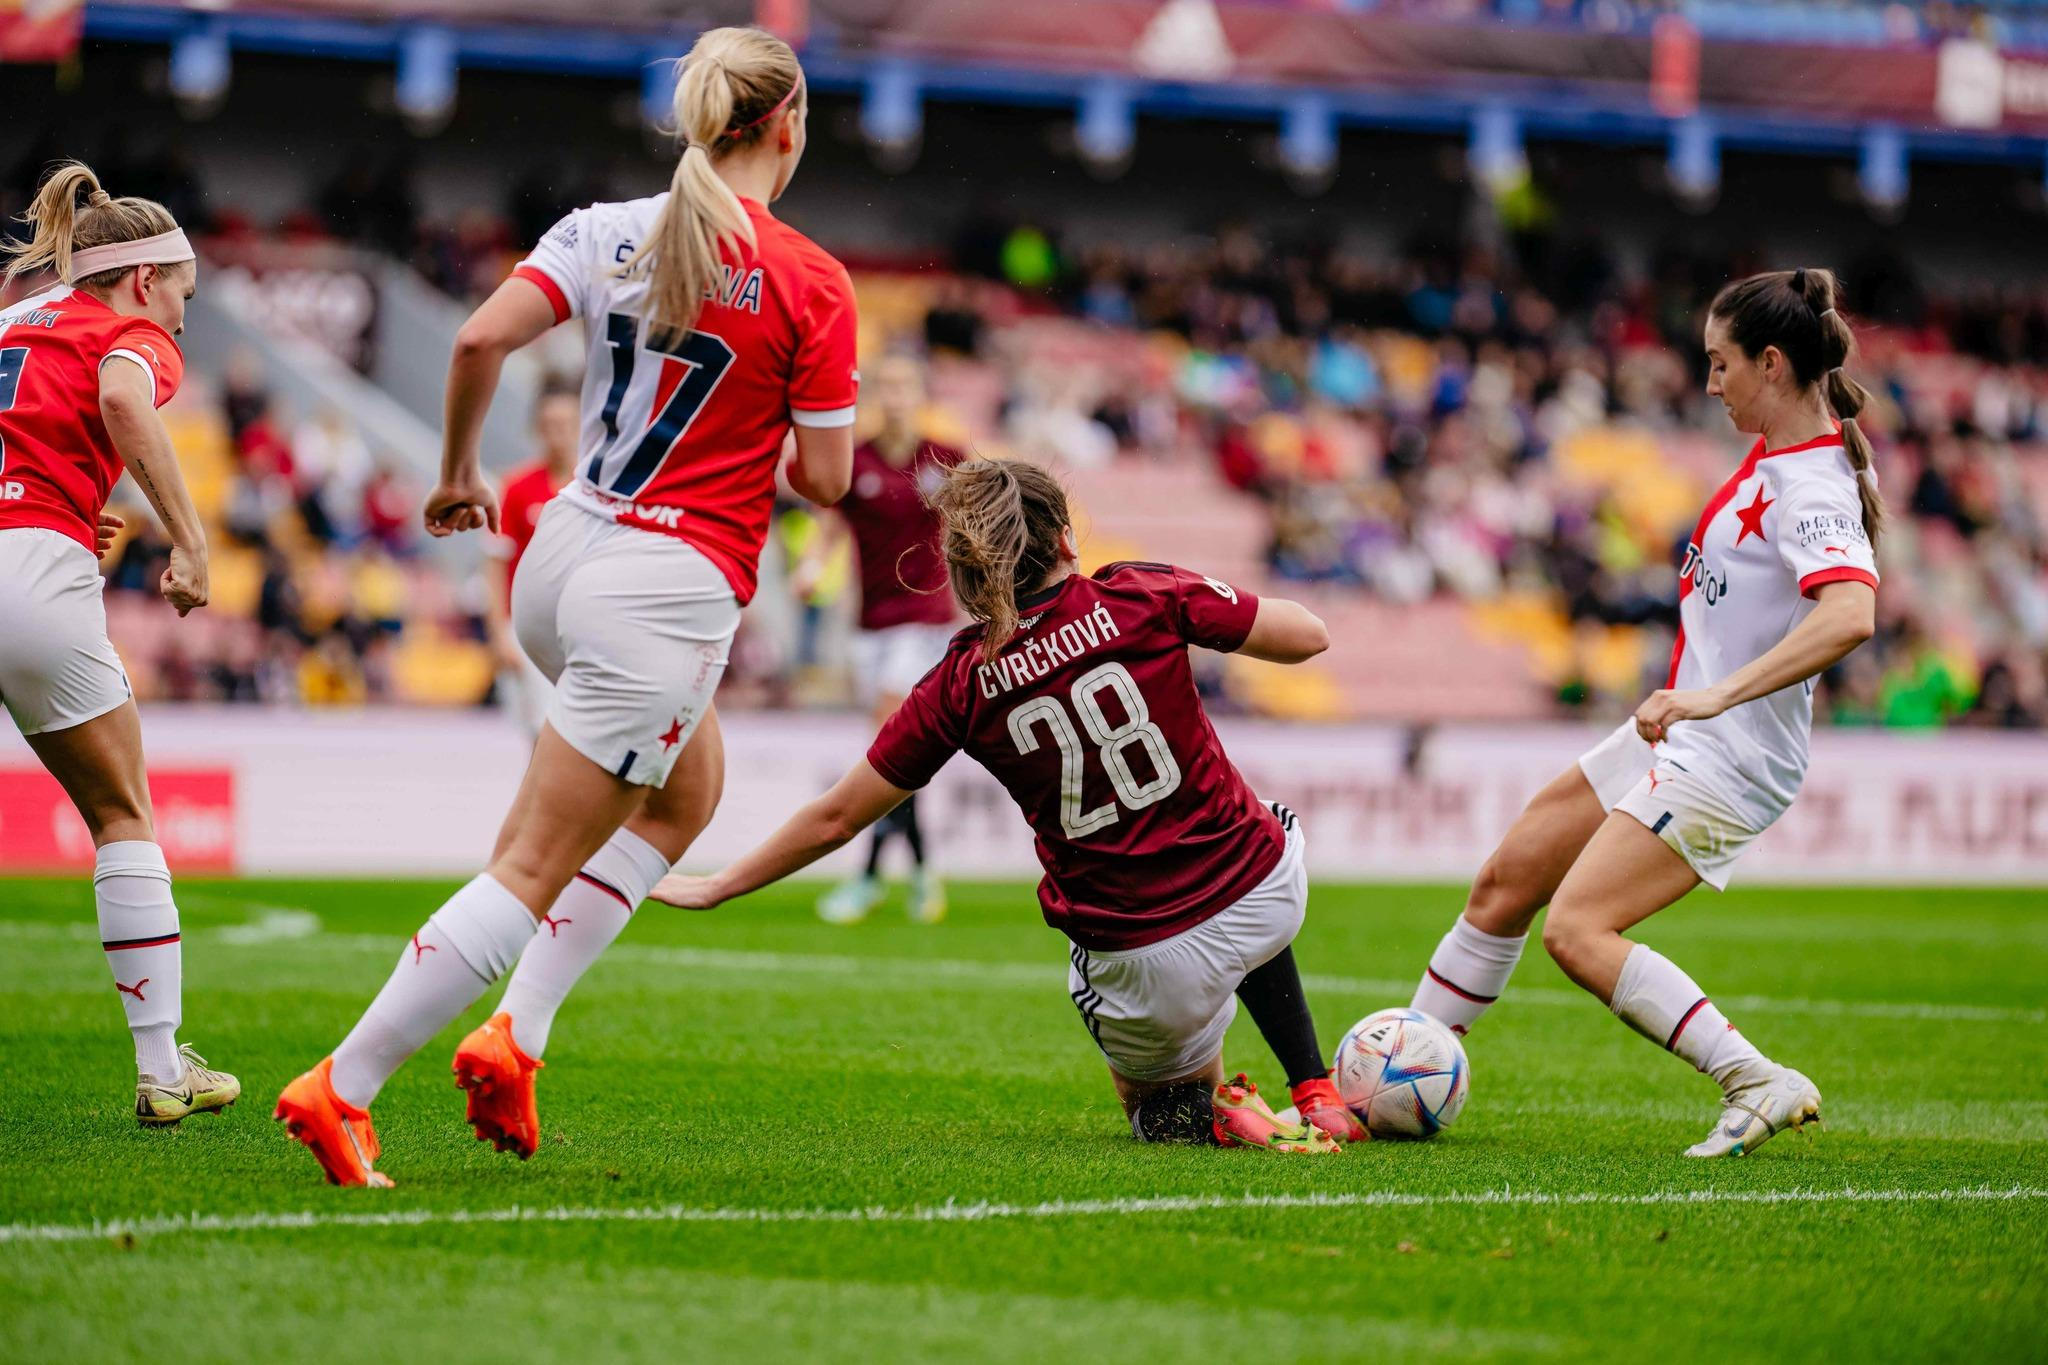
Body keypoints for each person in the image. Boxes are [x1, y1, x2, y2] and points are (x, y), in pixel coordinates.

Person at [275, 26, 857, 1186]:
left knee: (686, 791)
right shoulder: (810, 280)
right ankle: (343, 1083)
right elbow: (828, 482)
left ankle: (515, 1038)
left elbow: (484, 335)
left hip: (562, 552)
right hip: (669, 583)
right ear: (787, 124)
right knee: (532, 861)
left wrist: (454, 475)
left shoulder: (603, 229)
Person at [652, 459, 1367, 1151]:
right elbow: (1309, 635)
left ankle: (1206, 1110)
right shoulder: (1141, 594)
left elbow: (837, 817)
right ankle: (1314, 1087)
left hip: (1145, 954)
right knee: (1256, 837)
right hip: (1265, 892)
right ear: (1064, 540)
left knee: (1156, 1105)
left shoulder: (962, 680)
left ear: (967, 574)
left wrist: (720, 885)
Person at [1407, 267, 1882, 1157]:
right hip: (1678, 733)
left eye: (1720, 365)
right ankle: (1397, 1078)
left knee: (1578, 931)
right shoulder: (1776, 457)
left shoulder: (1811, 488)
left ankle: (1758, 1079)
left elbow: (1851, 613)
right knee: (1505, 881)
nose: (1709, 384)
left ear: (1772, 365)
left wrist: (1714, 692)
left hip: (1729, 757)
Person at [0, 162, 239, 1125]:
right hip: (32, 584)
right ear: (146, 279)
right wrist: (190, 536)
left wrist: (60, 503)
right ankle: (161, 1066)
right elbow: (123, 402)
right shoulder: (131, 332)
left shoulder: (15, 321)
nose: (185, 314)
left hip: (28, 540)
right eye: (185, 290)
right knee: (123, 814)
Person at [801, 354, 962, 925]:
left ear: (919, 392)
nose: (894, 394)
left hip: (924, 622)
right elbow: (828, 526)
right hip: (869, 625)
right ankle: (919, 871)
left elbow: (984, 523)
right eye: (886, 385)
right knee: (896, 754)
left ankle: (867, 878)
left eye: (904, 384)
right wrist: (811, 568)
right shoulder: (856, 458)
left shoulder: (948, 458)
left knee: (889, 744)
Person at [485, 378, 580, 737]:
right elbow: (495, 563)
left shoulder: (592, 488)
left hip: (580, 625)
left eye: (567, 425)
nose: (559, 434)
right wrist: (499, 633)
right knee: (538, 728)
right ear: (537, 430)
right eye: (550, 426)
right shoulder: (515, 486)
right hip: (528, 628)